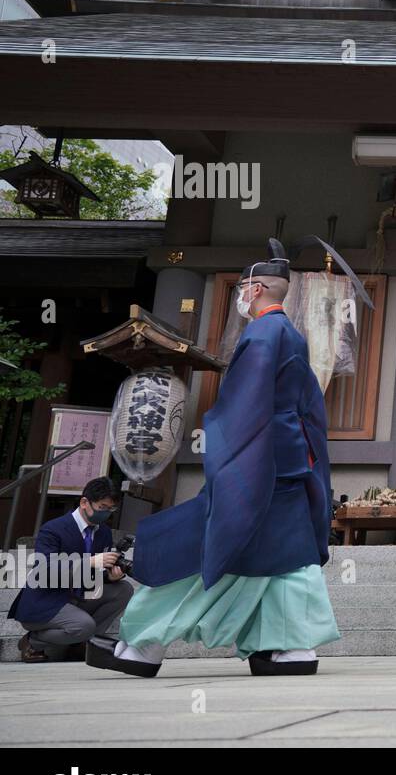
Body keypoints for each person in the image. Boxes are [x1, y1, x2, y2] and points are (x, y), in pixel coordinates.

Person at [86, 237, 369, 678]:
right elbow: (311, 411)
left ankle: (141, 645)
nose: (239, 295)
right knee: (287, 559)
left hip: (260, 465)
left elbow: (245, 408)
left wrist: (227, 454)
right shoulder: (291, 335)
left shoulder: (261, 334)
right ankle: (289, 648)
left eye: (242, 287)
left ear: (255, 289)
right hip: (290, 467)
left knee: (206, 548)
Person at [8, 477, 131, 663]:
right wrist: (89, 561)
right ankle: (33, 641)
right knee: (84, 626)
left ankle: (80, 645)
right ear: (84, 502)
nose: (106, 513)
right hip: (46, 601)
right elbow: (44, 570)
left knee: (123, 589)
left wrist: (110, 576)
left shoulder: (103, 532)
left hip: (79, 595)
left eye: (111, 509)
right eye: (102, 507)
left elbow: (95, 574)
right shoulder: (53, 529)